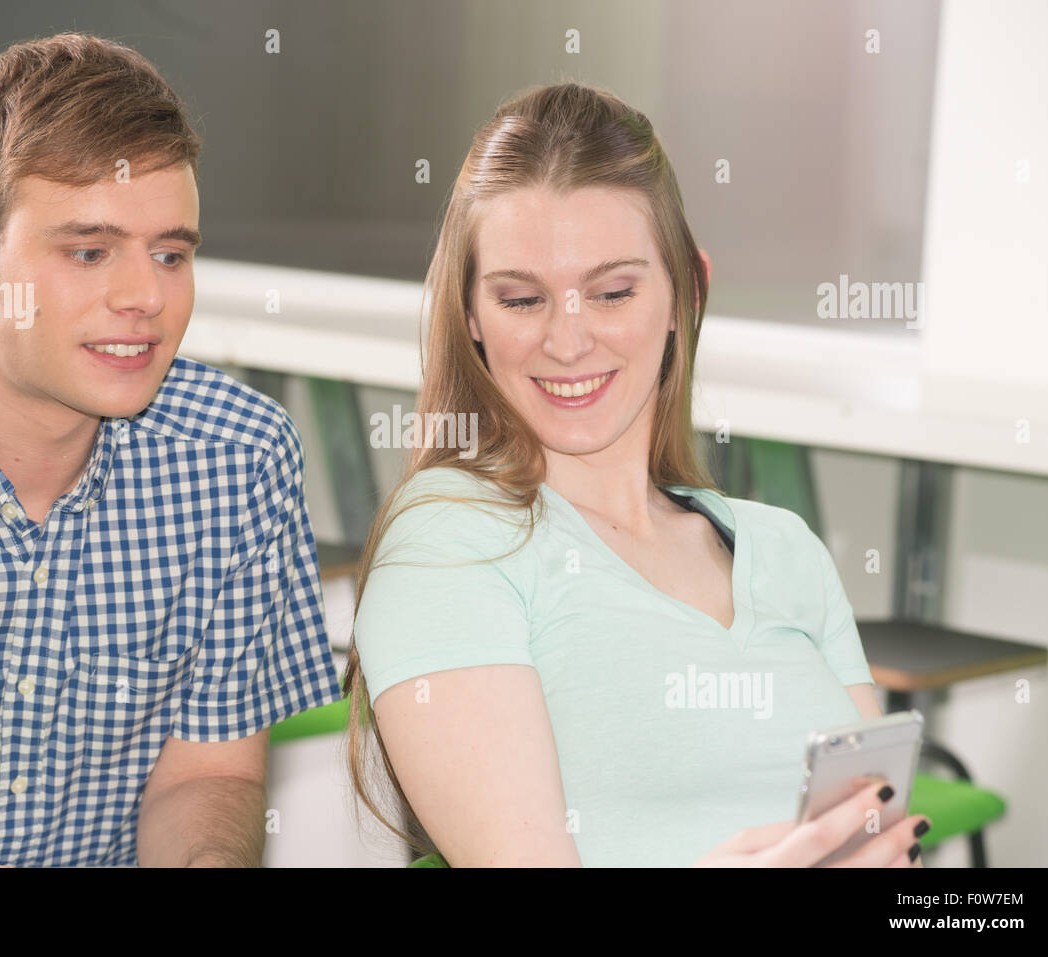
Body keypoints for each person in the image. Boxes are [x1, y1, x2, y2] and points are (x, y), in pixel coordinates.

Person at [0, 33, 341, 867]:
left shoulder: (241, 461)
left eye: (171, 254)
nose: (145, 296)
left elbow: (205, 775)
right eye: (88, 251)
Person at [345, 82, 930, 867]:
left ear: (687, 291)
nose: (567, 340)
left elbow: (884, 843)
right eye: (523, 300)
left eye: (614, 291)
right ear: (473, 318)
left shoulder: (786, 549)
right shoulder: (449, 537)